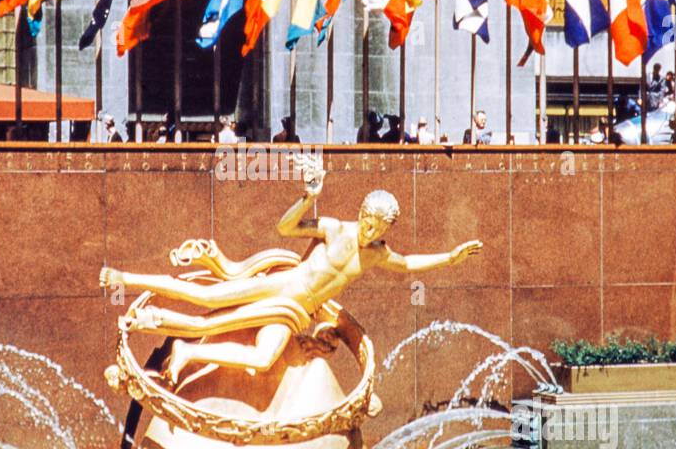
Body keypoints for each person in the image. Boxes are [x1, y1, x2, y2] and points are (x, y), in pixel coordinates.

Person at [100, 162, 482, 382]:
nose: (372, 231)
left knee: (262, 358)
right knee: (207, 297)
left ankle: (186, 352)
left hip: (296, 312)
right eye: (370, 222)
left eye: (380, 228)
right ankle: (125, 278)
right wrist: (308, 198)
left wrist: (450, 257)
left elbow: (409, 264)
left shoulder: (377, 254)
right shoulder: (335, 229)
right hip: (284, 285)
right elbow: (287, 229)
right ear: (362, 214)